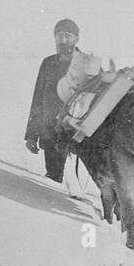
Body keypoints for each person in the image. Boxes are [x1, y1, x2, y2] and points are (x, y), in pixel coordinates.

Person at [26, 19, 81, 183]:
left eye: (67, 36)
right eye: (58, 36)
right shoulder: (48, 63)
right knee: (52, 180)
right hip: (51, 131)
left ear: (76, 39)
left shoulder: (87, 64)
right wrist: (31, 135)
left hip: (79, 132)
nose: (62, 40)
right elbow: (38, 99)